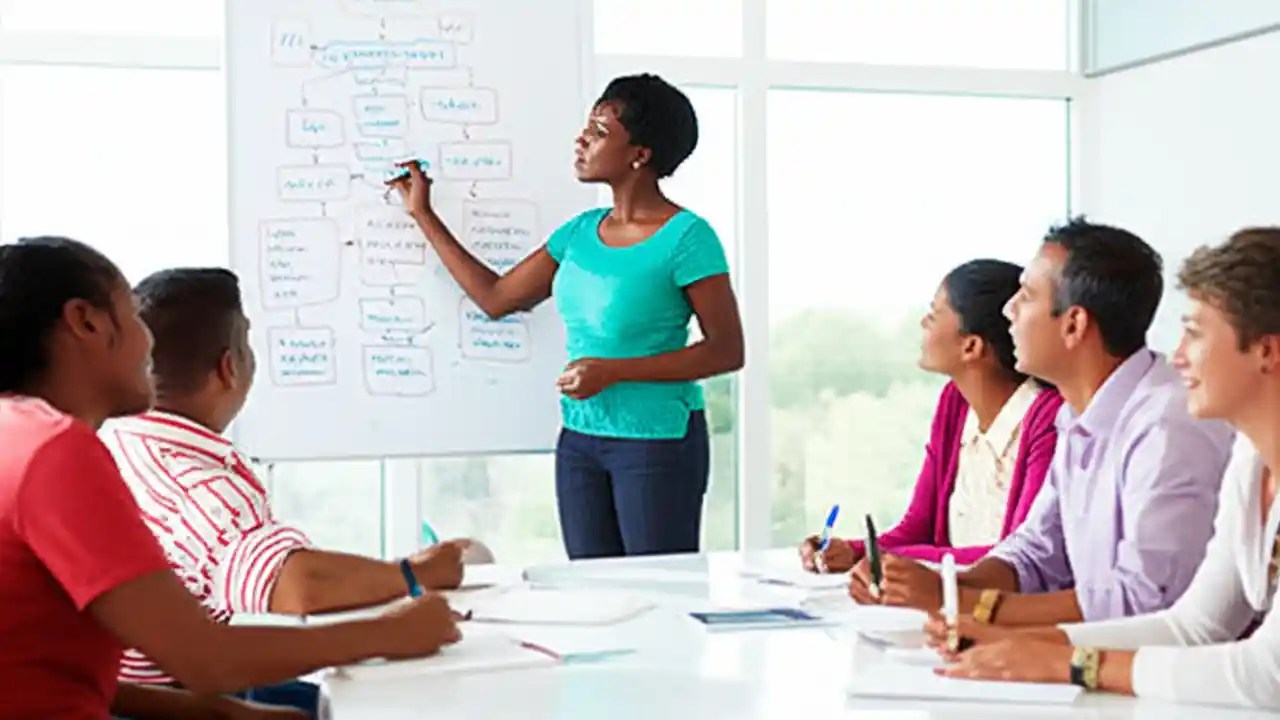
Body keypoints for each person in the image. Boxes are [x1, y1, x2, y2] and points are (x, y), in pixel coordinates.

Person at [0, 237, 459, 720]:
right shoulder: (56, 453)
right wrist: (390, 633)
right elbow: (205, 657)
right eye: (133, 314)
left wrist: (226, 714)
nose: (149, 343)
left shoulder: (18, 433)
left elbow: (51, 672)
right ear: (86, 322)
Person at [388, 73, 744, 560]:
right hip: (580, 443)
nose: (581, 139)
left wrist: (614, 371)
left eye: (598, 131)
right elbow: (495, 298)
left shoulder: (688, 238)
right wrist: (423, 214)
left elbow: (727, 349)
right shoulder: (578, 233)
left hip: (656, 443)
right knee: (592, 594)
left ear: (640, 153)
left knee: (659, 596)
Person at [927, 228, 1280, 710]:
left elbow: (1267, 673)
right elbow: (1195, 625)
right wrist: (1028, 645)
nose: (1177, 356)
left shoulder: (1168, 421)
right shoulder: (1251, 459)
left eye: (1194, 333)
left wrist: (1064, 660)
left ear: (1267, 350)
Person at [99, 267, 479, 713]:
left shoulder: (120, 437)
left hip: (141, 685)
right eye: (248, 342)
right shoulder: (198, 486)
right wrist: (414, 576)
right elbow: (294, 587)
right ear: (229, 367)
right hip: (173, 698)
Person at [851, 219, 1234, 627]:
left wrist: (960, 602)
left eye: (1026, 296)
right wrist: (942, 586)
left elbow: (1144, 601)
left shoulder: (1167, 426)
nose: (1008, 310)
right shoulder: (1076, 414)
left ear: (1074, 324)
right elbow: (1036, 552)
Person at [799, 260, 1064, 571]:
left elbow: (1019, 558)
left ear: (971, 346)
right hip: (947, 597)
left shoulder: (1049, 418)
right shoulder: (955, 403)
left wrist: (881, 559)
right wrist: (854, 551)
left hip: (996, 605)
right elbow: (917, 528)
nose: (924, 322)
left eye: (935, 314)